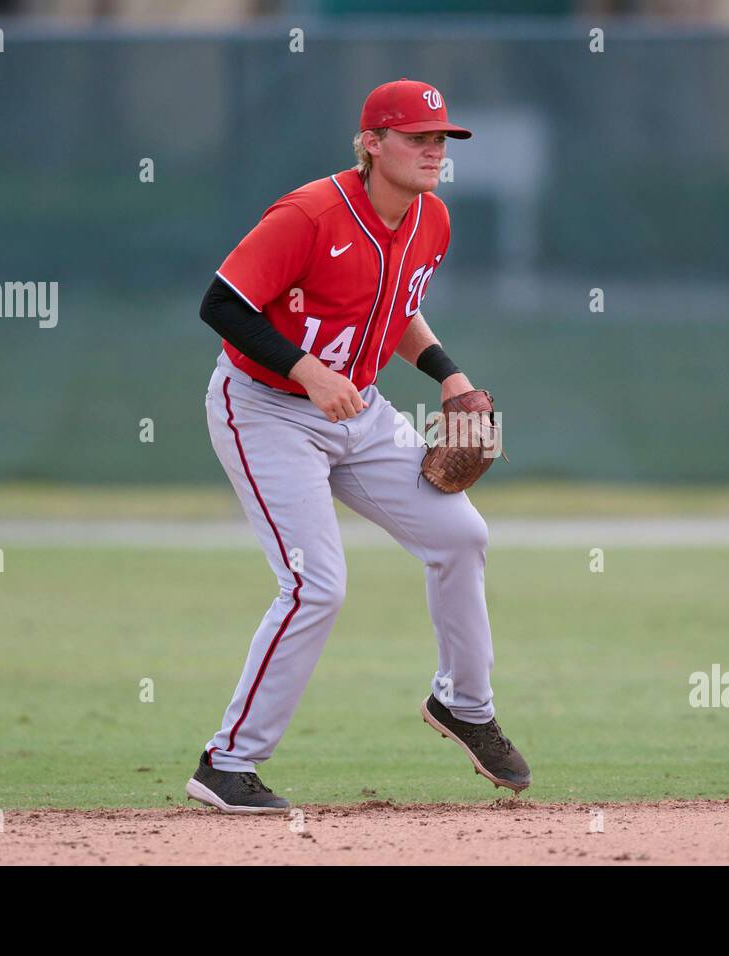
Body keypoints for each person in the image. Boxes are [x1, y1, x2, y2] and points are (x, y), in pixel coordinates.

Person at [184, 78, 531, 815]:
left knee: (461, 536)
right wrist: (307, 373)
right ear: (372, 143)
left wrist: (447, 372)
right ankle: (228, 764)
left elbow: (396, 309)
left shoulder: (430, 219)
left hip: (361, 411)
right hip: (267, 410)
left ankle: (464, 706)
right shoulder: (308, 213)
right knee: (317, 583)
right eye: (418, 137)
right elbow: (221, 302)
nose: (434, 151)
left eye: (442, 139)